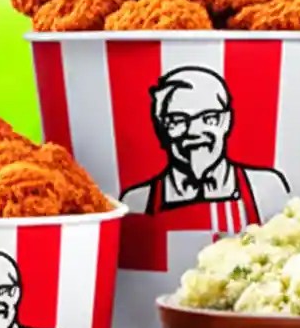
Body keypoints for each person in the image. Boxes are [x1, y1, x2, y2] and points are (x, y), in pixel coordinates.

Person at [120, 66, 290, 228]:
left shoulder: (265, 187)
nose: (194, 132)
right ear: (161, 127)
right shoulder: (138, 201)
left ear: (226, 121)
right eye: (178, 120)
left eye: (209, 118)